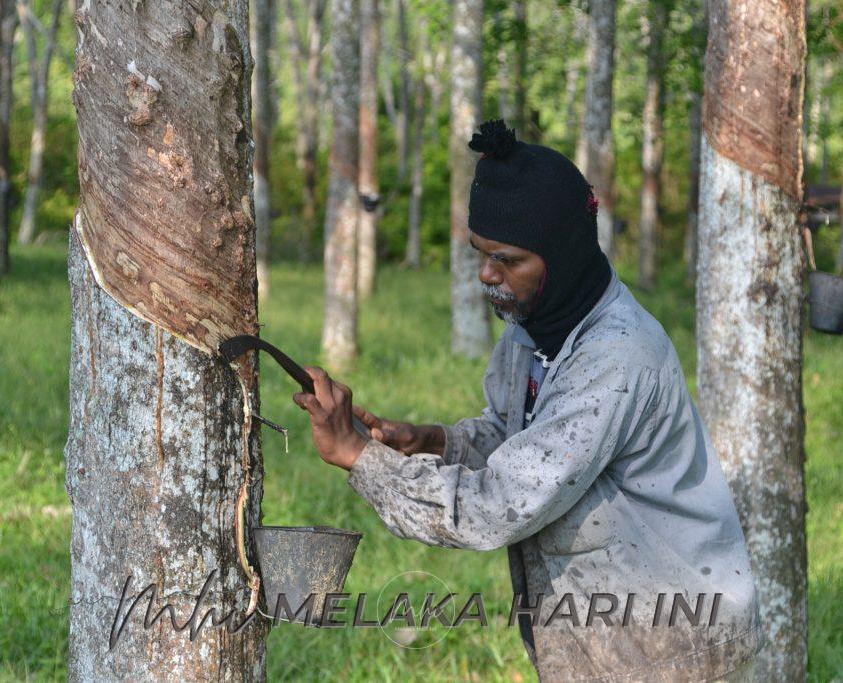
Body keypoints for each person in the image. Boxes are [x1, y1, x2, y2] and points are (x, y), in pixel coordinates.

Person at [292, 119, 762, 681]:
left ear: (563, 255)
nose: (487, 275)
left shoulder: (617, 356)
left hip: (674, 644)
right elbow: (517, 436)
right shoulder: (534, 327)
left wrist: (358, 456)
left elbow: (498, 506)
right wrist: (434, 442)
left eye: (508, 260)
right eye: (480, 254)